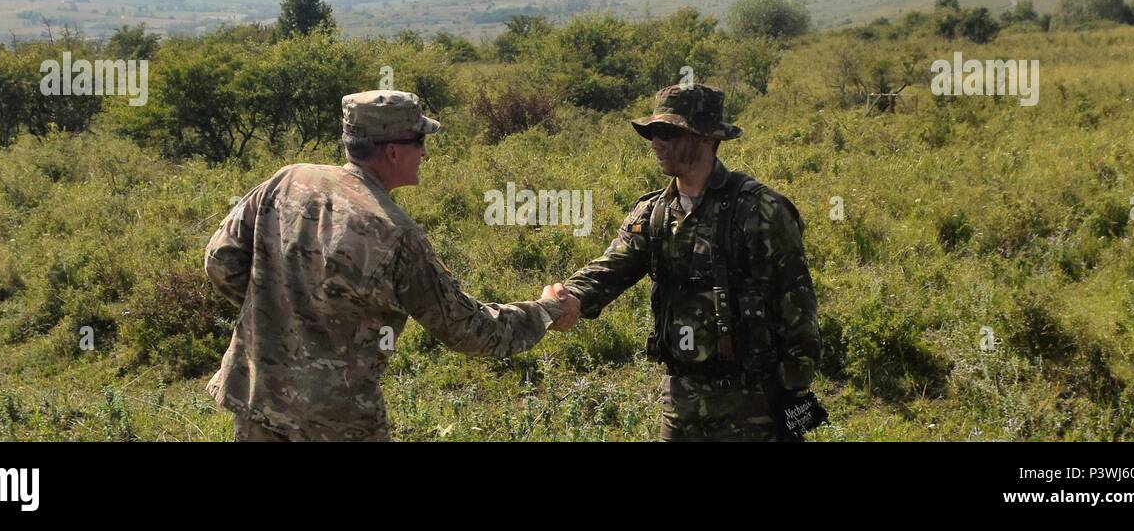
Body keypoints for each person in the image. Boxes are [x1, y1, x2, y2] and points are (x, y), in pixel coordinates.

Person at [204, 89, 578, 441]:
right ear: (394, 152)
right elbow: (470, 330)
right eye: (420, 142)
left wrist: (282, 312)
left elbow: (220, 261)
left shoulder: (287, 180)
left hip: (257, 395)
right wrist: (546, 310)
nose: (425, 154)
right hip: (338, 419)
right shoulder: (395, 234)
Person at [547, 84, 823, 441]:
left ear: (707, 138)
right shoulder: (654, 213)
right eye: (652, 133)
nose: (656, 143)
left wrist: (794, 397)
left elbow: (798, 309)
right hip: (680, 398)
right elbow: (613, 266)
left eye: (668, 133)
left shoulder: (760, 211)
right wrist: (571, 297)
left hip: (752, 401)